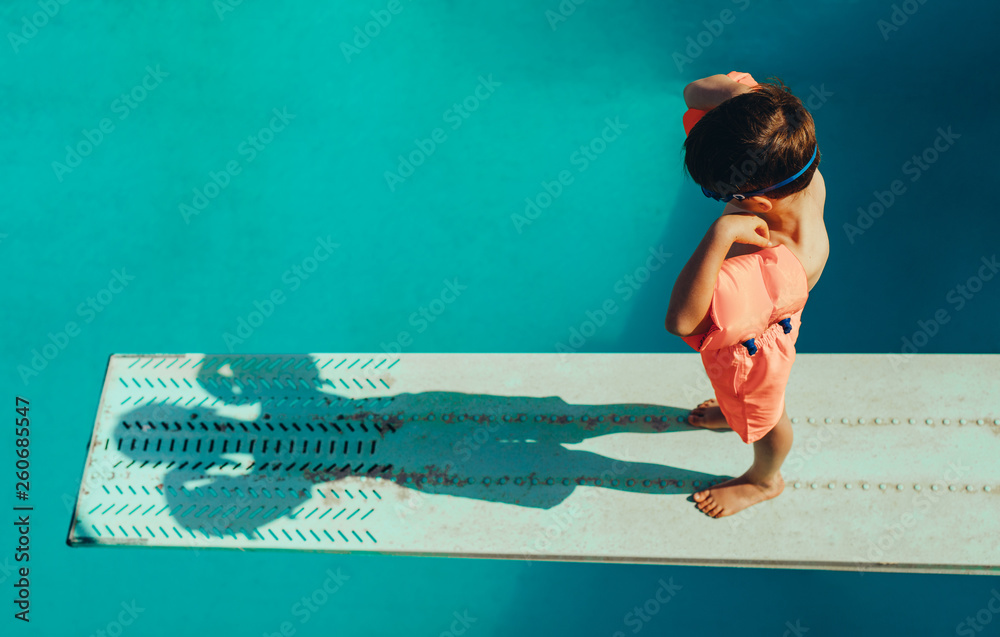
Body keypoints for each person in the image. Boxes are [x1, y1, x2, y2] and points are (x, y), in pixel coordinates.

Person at [665, 72, 830, 517]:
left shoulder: (775, 260)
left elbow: (684, 321)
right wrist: (744, 97)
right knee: (734, 397)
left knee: (765, 415)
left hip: (756, 341)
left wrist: (720, 235)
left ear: (754, 205)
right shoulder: (791, 153)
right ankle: (727, 407)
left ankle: (764, 479)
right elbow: (695, 93)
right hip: (755, 311)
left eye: (716, 193)